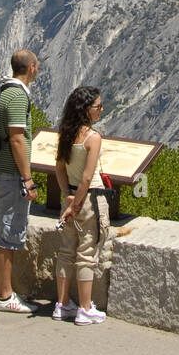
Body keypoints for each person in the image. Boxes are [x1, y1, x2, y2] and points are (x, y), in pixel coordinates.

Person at [53, 86, 110, 325]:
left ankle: (62, 304)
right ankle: (85, 309)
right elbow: (88, 177)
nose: (101, 109)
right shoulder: (92, 138)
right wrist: (76, 206)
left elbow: (59, 168)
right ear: (87, 110)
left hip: (70, 197)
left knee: (66, 252)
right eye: (97, 106)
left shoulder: (65, 133)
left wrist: (68, 196)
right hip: (90, 200)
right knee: (86, 253)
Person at [0, 49, 39, 313]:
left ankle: (0, 290)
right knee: (9, 233)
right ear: (30, 68)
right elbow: (17, 138)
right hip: (10, 175)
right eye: (36, 66)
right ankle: (5, 297)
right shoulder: (18, 96)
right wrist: (27, 179)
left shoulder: (3, 90)